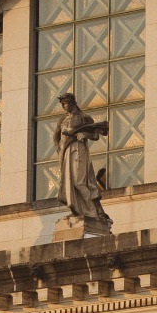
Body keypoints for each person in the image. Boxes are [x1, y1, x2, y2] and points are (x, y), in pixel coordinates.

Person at [49, 93, 112, 236]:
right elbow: (56, 136)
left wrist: (84, 135)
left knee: (79, 181)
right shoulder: (63, 120)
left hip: (78, 149)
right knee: (69, 182)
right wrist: (59, 148)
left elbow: (95, 135)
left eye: (65, 104)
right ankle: (78, 211)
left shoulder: (84, 118)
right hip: (66, 153)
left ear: (72, 103)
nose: (64, 107)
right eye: (62, 104)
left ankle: (94, 212)